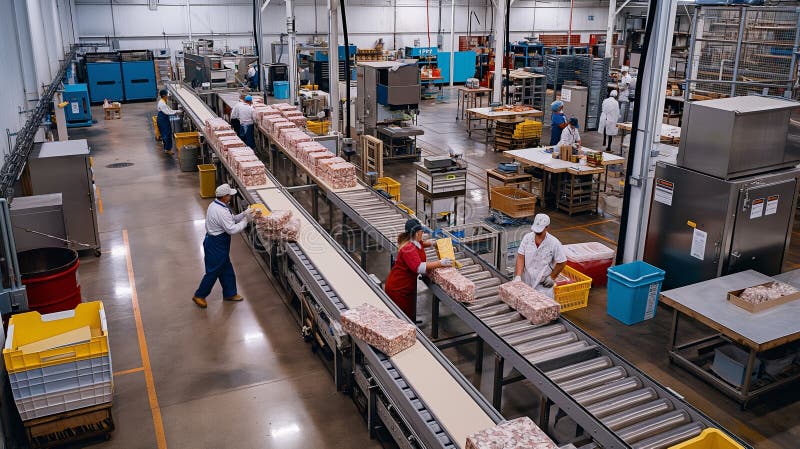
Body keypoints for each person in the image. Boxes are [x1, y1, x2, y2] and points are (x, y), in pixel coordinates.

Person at [192, 184, 261, 308]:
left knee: (226, 268)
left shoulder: (217, 205)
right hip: (216, 244)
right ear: (224, 197)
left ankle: (230, 293)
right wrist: (246, 221)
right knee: (213, 272)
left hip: (218, 243)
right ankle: (199, 295)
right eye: (229, 195)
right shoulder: (220, 211)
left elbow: (232, 219)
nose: (230, 197)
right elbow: (231, 229)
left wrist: (245, 213)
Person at [384, 219, 453, 321]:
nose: (423, 233)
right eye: (421, 231)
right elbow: (419, 267)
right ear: (416, 233)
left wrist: (432, 243)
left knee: (408, 315)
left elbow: (421, 244)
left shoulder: (414, 241)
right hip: (398, 289)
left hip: (406, 287)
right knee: (402, 319)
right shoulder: (408, 249)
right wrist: (440, 263)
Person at [514, 214, 567, 298]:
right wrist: (518, 276)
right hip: (526, 282)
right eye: (536, 232)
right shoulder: (527, 238)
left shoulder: (554, 243)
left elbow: (562, 262)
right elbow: (521, 257)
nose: (537, 234)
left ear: (547, 227)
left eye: (540, 232)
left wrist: (552, 277)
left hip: (543, 286)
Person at [156, 89, 181, 154]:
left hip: (164, 118)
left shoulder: (163, 101)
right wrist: (177, 112)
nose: (168, 96)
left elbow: (169, 109)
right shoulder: (162, 103)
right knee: (166, 134)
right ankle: (167, 149)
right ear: (164, 95)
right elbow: (168, 112)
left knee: (168, 132)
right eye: (167, 95)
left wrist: (177, 111)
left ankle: (167, 148)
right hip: (162, 119)